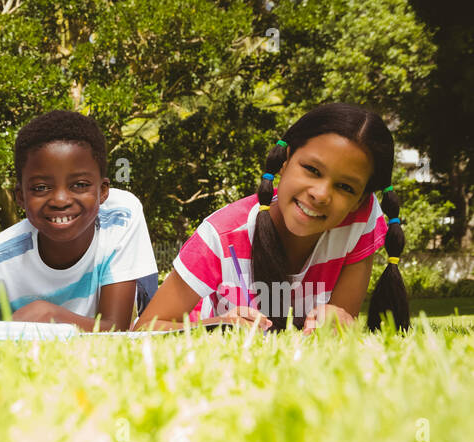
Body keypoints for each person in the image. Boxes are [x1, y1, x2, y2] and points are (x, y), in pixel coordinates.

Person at [136, 102, 408, 332]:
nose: (321, 194)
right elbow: (145, 328)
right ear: (285, 161)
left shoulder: (361, 221)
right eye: (312, 169)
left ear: (359, 200)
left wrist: (336, 319)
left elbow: (341, 322)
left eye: (345, 187)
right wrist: (219, 324)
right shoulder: (222, 235)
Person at [0, 110, 157, 332]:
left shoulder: (120, 215)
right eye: (41, 188)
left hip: (131, 284)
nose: (60, 200)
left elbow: (114, 330)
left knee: (146, 311)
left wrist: (50, 315)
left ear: (103, 191)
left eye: (80, 185)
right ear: (20, 196)